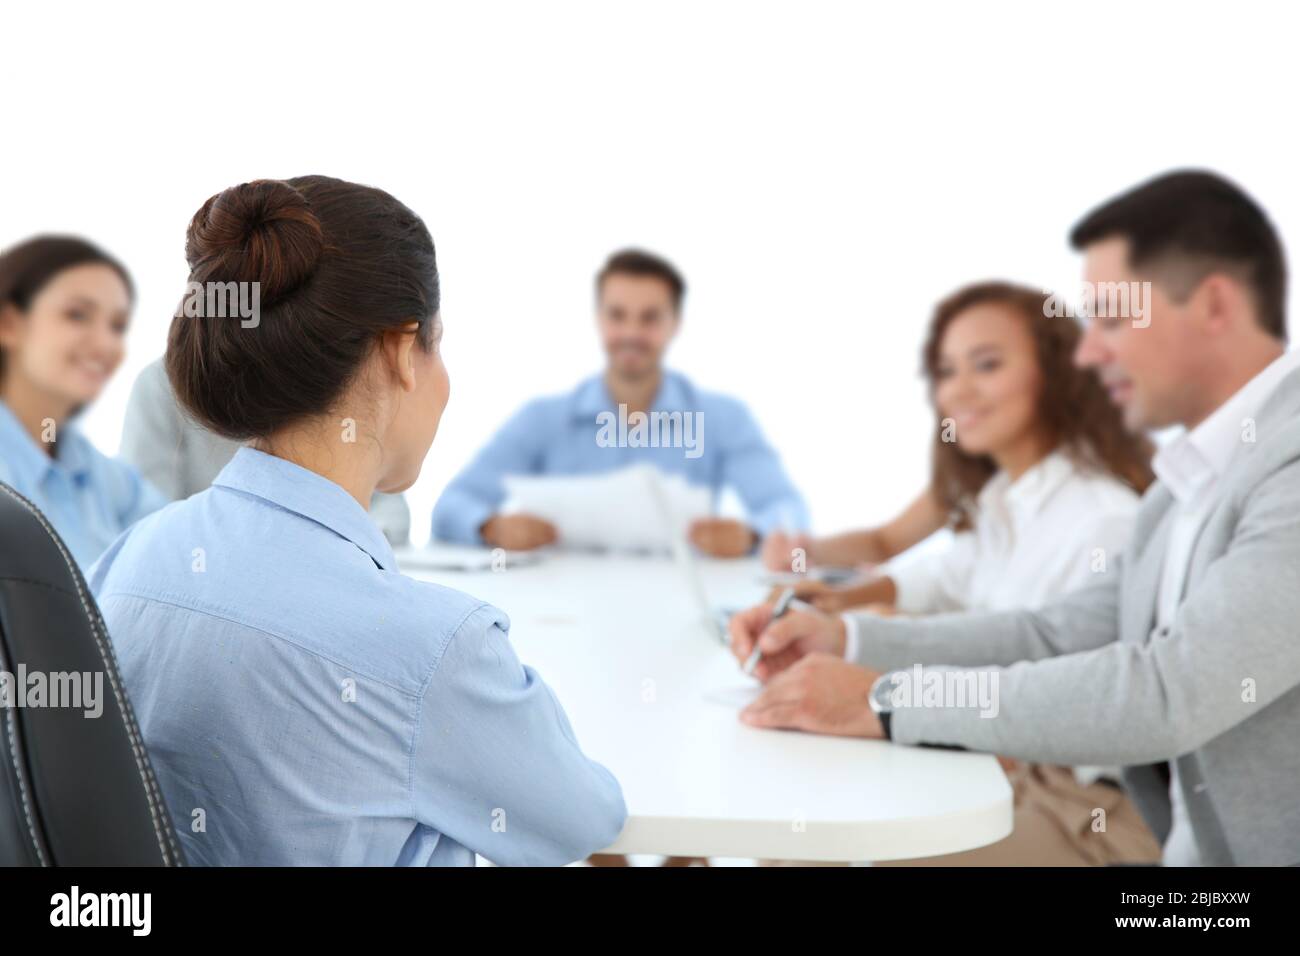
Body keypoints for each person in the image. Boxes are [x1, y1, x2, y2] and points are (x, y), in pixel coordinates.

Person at [729, 169, 1300, 866]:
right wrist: (845, 638)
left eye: (1112, 319)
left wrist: (885, 698)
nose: (1088, 351)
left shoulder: (1285, 469)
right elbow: (1053, 633)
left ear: (1214, 305)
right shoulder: (1181, 487)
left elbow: (1167, 691)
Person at [89, 176, 626, 866]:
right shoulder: (434, 651)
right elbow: (584, 819)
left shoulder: (131, 560)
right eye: (440, 345)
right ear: (403, 350)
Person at [767, 280, 1160, 865]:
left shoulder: (1100, 521)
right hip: (1001, 769)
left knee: (827, 843)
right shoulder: (1003, 499)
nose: (959, 390)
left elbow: (1067, 688)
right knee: (793, 825)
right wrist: (839, 613)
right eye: (946, 370)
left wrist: (869, 656)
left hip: (1080, 805)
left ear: (1057, 373)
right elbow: (940, 579)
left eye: (987, 364)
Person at [431, 249, 808, 557]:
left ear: (675, 324)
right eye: (617, 315)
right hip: (561, 614)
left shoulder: (724, 418)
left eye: (649, 318)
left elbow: (790, 512)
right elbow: (451, 506)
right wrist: (490, 526)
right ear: (598, 319)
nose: (631, 333)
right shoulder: (543, 419)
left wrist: (754, 535)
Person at [0, 235, 166, 569]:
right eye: (77, 315)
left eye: (117, 325)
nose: (105, 344)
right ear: (9, 323)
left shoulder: (103, 476)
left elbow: (179, 542)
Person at [120, 357, 412, 544]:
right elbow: (146, 517)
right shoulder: (159, 386)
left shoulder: (323, 378)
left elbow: (391, 508)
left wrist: (352, 540)